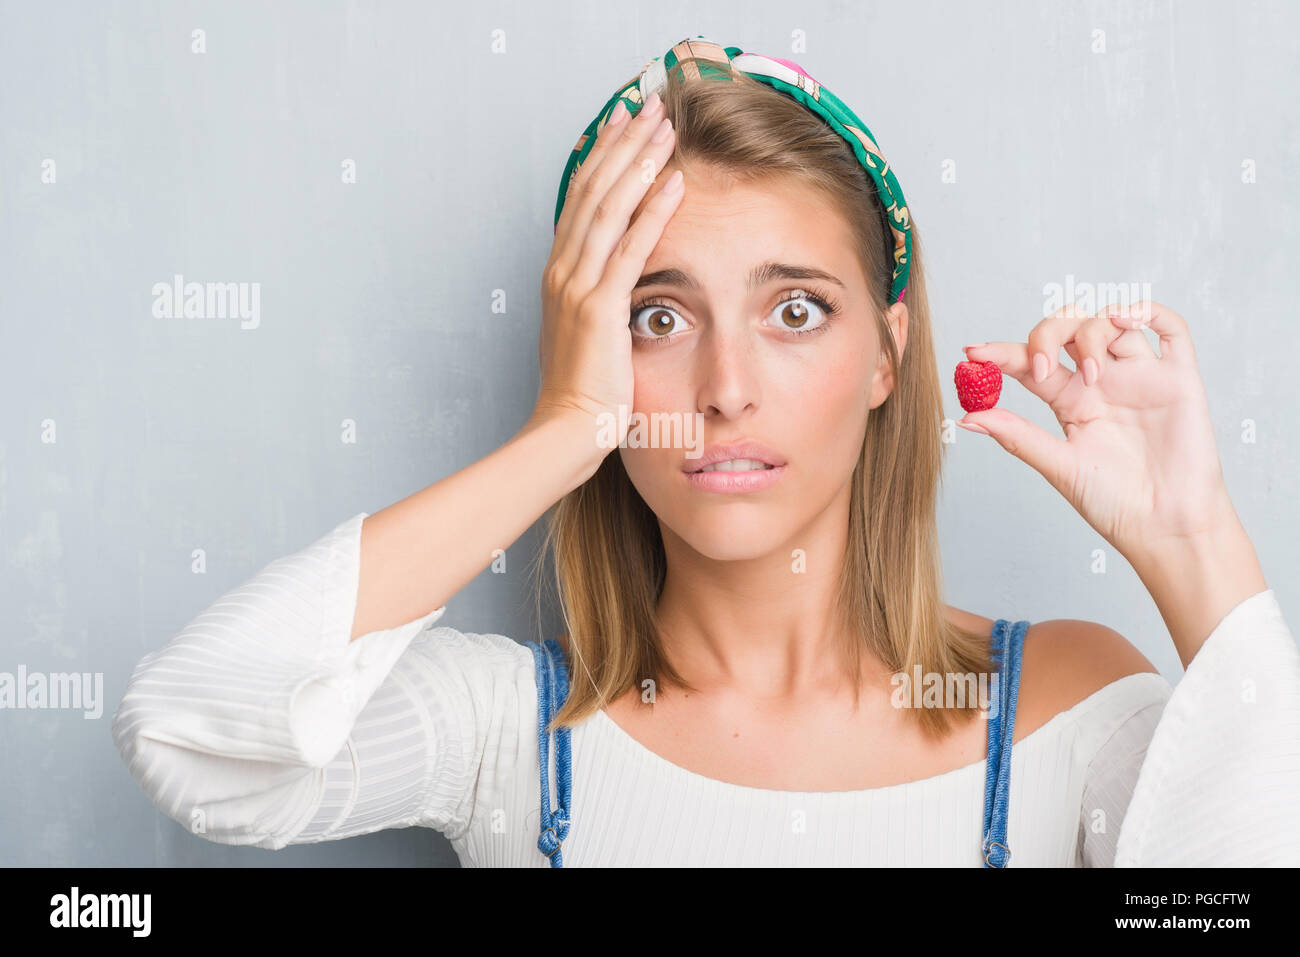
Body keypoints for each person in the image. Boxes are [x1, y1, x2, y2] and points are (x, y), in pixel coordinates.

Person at [111, 37, 1299, 866]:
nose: (726, 390)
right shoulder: (507, 731)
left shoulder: (1062, 706)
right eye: (658, 317)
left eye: (795, 310)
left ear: (886, 358)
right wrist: (564, 430)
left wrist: (1192, 543)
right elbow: (186, 732)